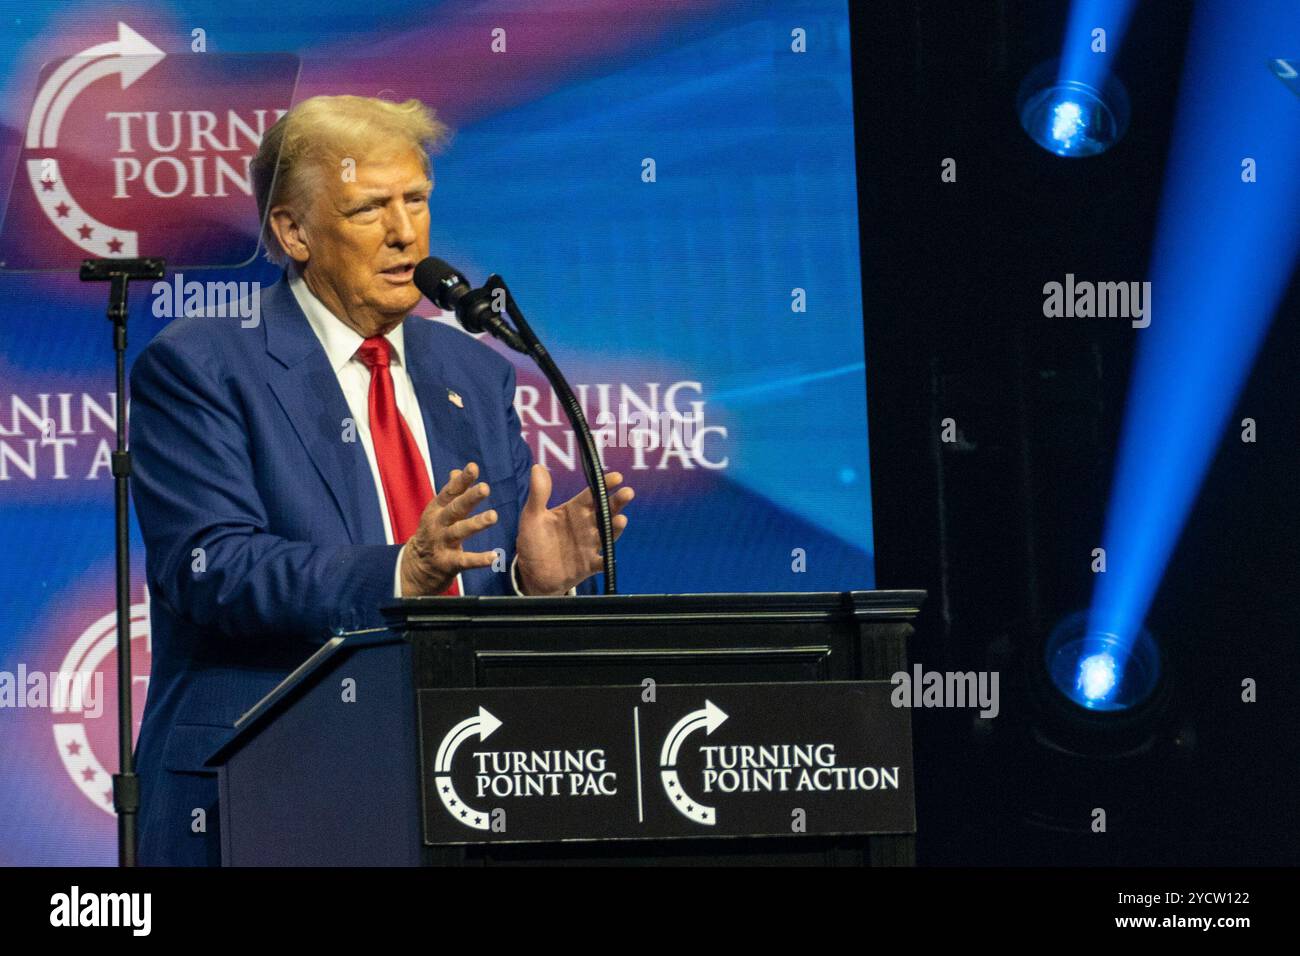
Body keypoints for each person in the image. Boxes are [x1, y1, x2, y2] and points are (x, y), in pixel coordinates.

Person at [129, 95, 634, 865]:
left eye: (417, 200)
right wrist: (402, 570)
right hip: (264, 783)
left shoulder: (474, 371)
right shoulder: (202, 366)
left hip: (456, 784)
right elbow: (212, 568)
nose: (405, 232)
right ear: (293, 232)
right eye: (370, 208)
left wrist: (530, 583)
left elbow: (474, 599)